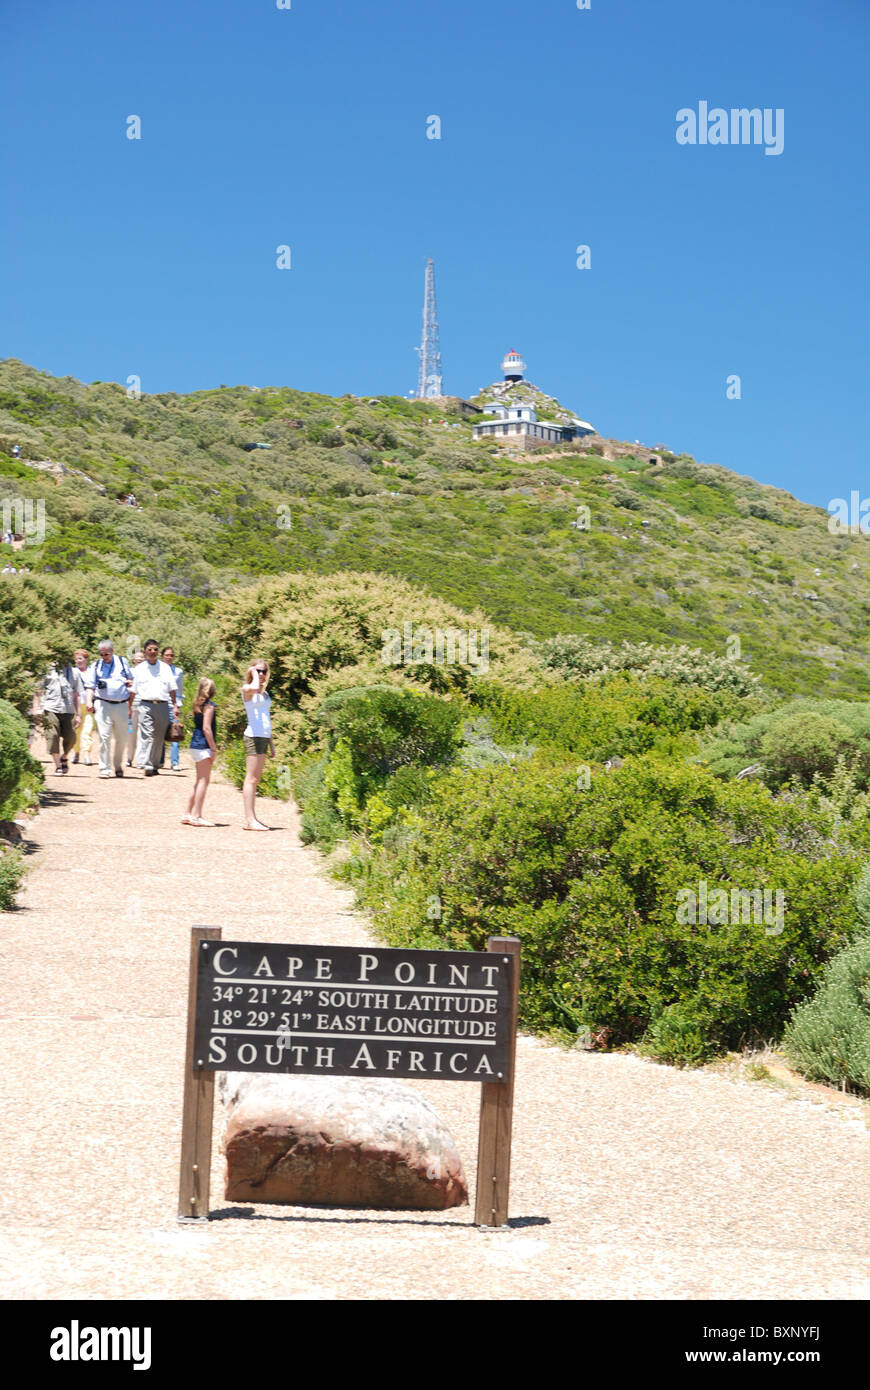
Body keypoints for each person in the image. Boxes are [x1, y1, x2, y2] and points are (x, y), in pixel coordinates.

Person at [84, 640, 134, 778]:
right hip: (103, 703)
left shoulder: (123, 662)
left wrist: (130, 686)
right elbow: (90, 686)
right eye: (102, 654)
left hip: (122, 703)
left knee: (122, 738)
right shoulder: (96, 666)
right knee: (104, 736)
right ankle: (104, 768)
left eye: (106, 653)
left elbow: (132, 681)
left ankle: (117, 765)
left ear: (112, 651)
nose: (104, 656)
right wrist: (89, 701)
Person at [132, 639, 179, 776]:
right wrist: (130, 707)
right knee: (147, 735)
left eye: (155, 649)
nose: (153, 652)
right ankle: (146, 764)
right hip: (145, 705)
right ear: (145, 651)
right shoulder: (139, 669)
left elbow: (172, 688)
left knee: (158, 737)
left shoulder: (165, 668)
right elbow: (133, 690)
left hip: (163, 705)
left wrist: (175, 706)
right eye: (150, 649)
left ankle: (155, 764)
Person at [241, 659, 274, 830]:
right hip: (253, 737)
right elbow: (253, 688)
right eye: (258, 670)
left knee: (256, 779)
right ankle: (250, 819)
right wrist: (253, 674)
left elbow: (266, 717)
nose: (261, 674)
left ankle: (252, 818)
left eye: (264, 671)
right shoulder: (248, 689)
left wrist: (271, 743)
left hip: (263, 737)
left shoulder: (265, 694)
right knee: (251, 778)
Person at [33, 659, 81, 775]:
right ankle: (58, 765)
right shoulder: (47, 669)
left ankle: (64, 756)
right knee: (52, 735)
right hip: (51, 708)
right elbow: (38, 690)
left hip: (68, 710)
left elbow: (76, 694)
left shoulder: (74, 672)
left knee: (71, 738)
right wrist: (36, 708)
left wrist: (79, 714)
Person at [182, 678, 217, 827]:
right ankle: (197, 815)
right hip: (203, 746)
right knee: (204, 781)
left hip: (195, 744)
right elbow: (206, 728)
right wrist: (213, 748)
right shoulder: (209, 706)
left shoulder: (197, 704)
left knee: (198, 781)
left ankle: (187, 813)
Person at [160, 646, 184, 771]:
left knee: (175, 732)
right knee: (161, 733)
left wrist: (178, 704)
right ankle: (160, 761)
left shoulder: (178, 671)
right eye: (167, 655)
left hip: (173, 706)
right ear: (162, 656)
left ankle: (175, 762)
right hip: (161, 703)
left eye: (171, 655)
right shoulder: (158, 670)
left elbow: (180, 689)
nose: (169, 657)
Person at [70, 648, 95, 765]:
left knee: (87, 730)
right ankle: (76, 752)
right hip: (75, 705)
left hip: (89, 705)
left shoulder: (91, 672)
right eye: (76, 659)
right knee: (76, 730)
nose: (78, 661)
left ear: (86, 659)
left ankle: (87, 754)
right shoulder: (73, 672)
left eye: (80, 658)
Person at [126, 649, 145, 766]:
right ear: (133, 659)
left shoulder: (147, 672)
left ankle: (140, 760)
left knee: (142, 734)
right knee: (131, 733)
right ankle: (129, 757)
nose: (139, 659)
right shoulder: (129, 671)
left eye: (142, 657)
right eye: (137, 657)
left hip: (144, 705)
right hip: (131, 705)